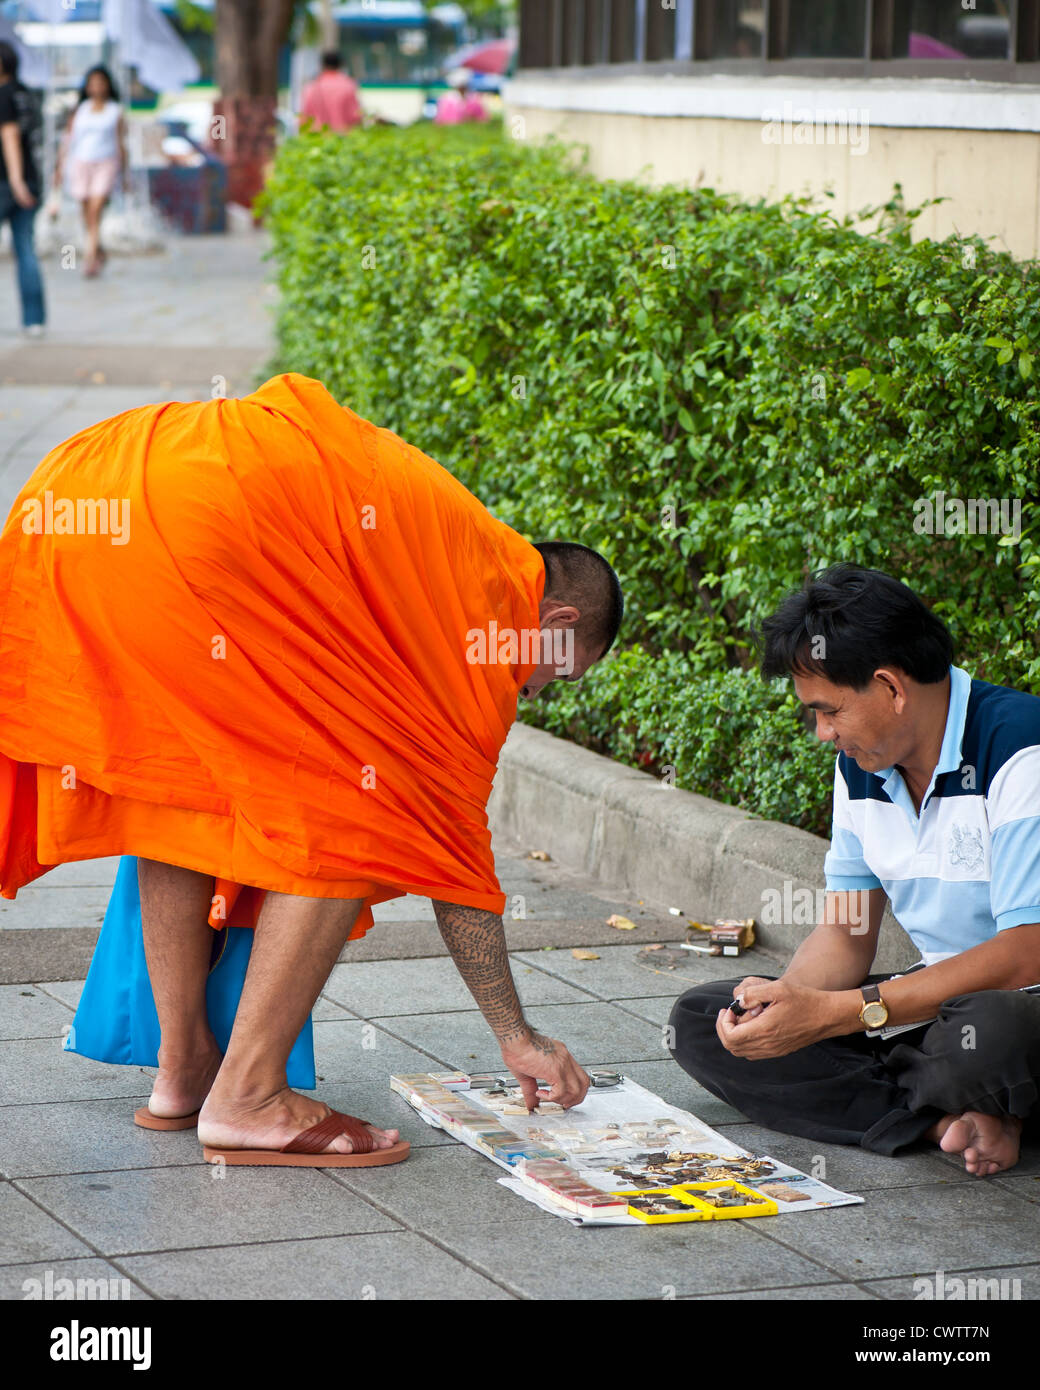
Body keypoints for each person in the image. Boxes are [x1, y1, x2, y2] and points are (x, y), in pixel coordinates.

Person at [0, 372, 623, 1168]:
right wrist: (517, 1035)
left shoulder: (450, 547)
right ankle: (250, 1097)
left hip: (92, 488)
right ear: (555, 622)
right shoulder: (486, 610)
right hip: (190, 518)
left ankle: (184, 1068)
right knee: (354, 812)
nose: (534, 693)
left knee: (188, 786)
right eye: (557, 674)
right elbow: (456, 862)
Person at [668, 564, 1040, 1177]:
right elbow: (846, 932)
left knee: (990, 1032)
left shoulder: (1019, 747)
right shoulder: (862, 765)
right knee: (704, 1022)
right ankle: (950, 1120)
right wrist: (784, 1008)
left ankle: (940, 1101)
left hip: (1017, 1008)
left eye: (828, 711)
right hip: (935, 1010)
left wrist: (841, 1014)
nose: (822, 733)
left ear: (891, 687)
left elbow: (1025, 954)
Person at [52, 65, 127, 278]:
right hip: (81, 163)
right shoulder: (80, 110)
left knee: (95, 209)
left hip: (105, 163)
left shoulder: (115, 110)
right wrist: (59, 168)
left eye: (101, 82)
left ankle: (89, 259)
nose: (97, 87)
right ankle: (98, 248)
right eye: (92, 83)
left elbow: (121, 143)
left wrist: (126, 174)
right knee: (86, 213)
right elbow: (68, 140)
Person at [0, 40, 45, 336]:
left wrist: (15, 182)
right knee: (25, 249)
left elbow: (10, 137)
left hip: (7, 183)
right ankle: (34, 320)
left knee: (25, 248)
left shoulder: (3, 95)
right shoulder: (27, 94)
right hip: (31, 179)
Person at [299, 50, 362, 133]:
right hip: (342, 138)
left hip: (316, 138)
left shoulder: (311, 87)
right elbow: (355, 117)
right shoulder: (349, 86)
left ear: (322, 65)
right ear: (340, 65)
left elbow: (305, 117)